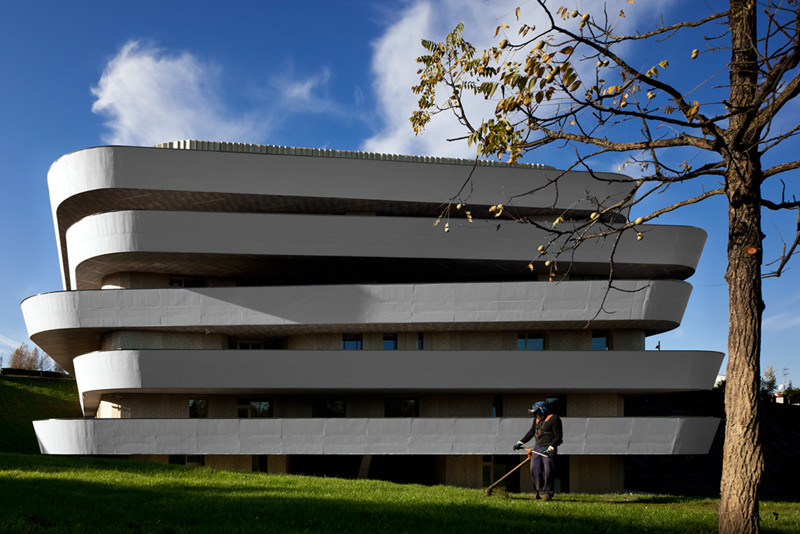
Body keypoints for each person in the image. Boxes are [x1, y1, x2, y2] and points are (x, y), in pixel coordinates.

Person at [513, 401, 563, 501]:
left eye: (537, 413)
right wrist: (520, 442)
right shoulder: (536, 420)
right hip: (537, 447)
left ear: (543, 411)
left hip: (548, 448)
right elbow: (531, 432)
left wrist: (550, 448)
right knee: (534, 469)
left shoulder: (554, 419)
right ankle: (539, 491)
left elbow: (559, 437)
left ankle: (547, 492)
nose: (535, 415)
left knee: (549, 471)